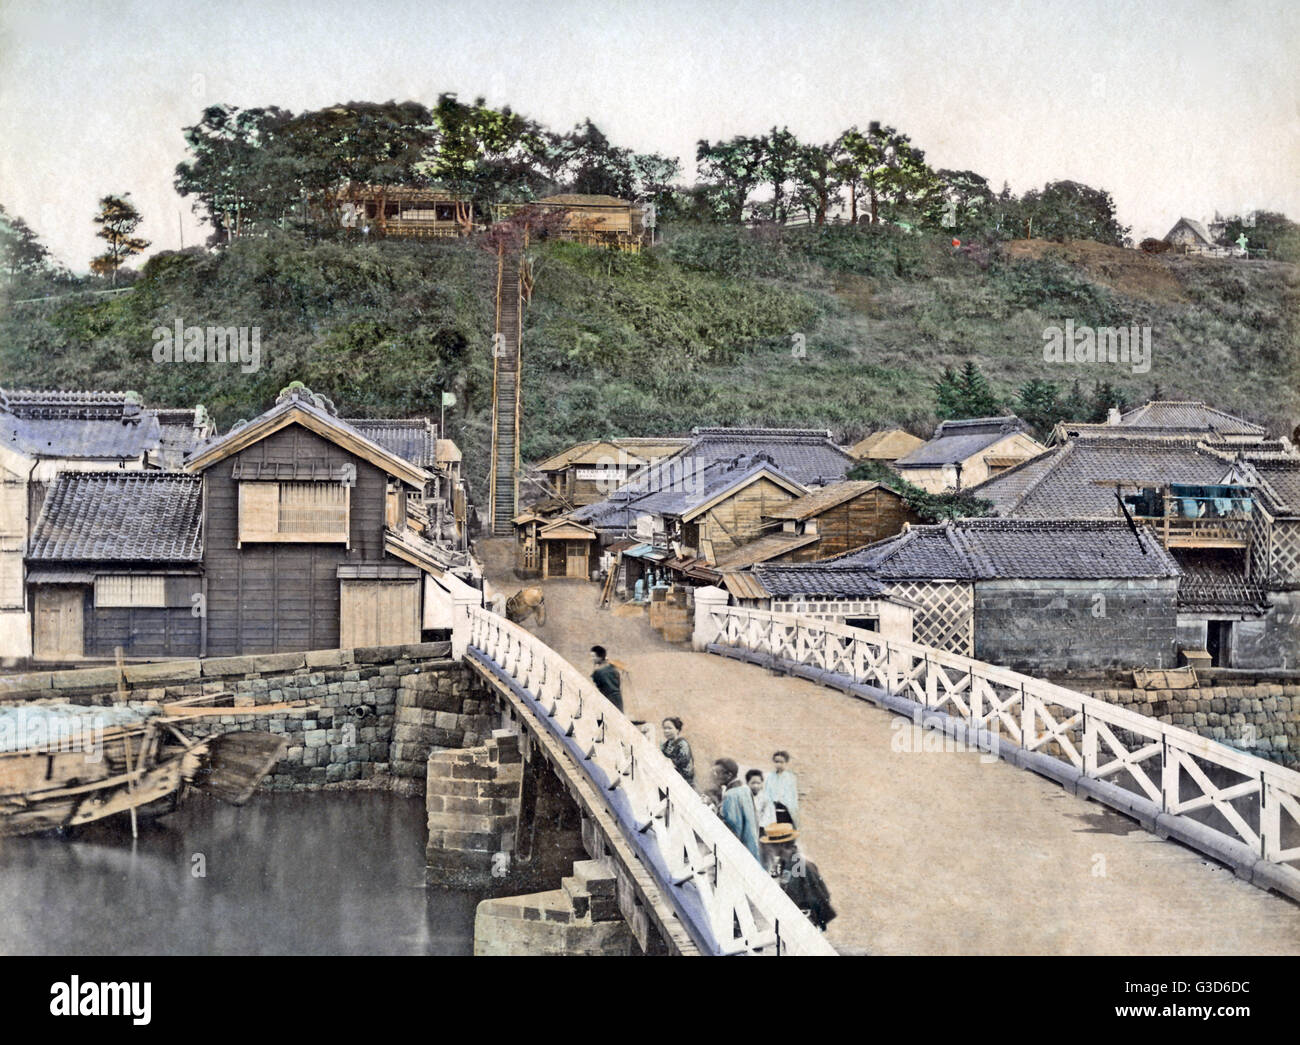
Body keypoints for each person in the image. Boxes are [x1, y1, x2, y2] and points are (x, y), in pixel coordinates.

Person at [760, 823, 836, 931]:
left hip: (804, 921)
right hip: (791, 919)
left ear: (781, 845)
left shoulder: (801, 864)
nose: (769, 847)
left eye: (772, 844)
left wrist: (815, 920)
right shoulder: (784, 862)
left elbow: (820, 895)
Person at [715, 758, 761, 860]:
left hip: (740, 852)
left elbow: (732, 828)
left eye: (718, 773)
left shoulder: (730, 795)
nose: (716, 776)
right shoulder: (745, 789)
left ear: (729, 775)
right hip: (751, 846)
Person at [763, 749, 799, 828]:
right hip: (772, 811)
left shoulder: (790, 778)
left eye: (781, 762)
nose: (778, 764)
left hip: (785, 811)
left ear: (786, 763)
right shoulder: (769, 777)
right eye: (776, 762)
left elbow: (793, 797)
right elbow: (766, 792)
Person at [660, 717, 694, 785]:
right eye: (664, 728)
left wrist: (669, 762)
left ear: (677, 730)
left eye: (669, 728)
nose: (666, 731)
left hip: (682, 780)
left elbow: (683, 763)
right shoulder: (665, 745)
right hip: (668, 777)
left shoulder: (682, 744)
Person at [590, 645, 623, 712]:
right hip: (618, 699)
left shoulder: (598, 671)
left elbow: (597, 683)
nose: (592, 658)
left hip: (607, 699)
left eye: (594, 656)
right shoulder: (613, 668)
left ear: (600, 657)